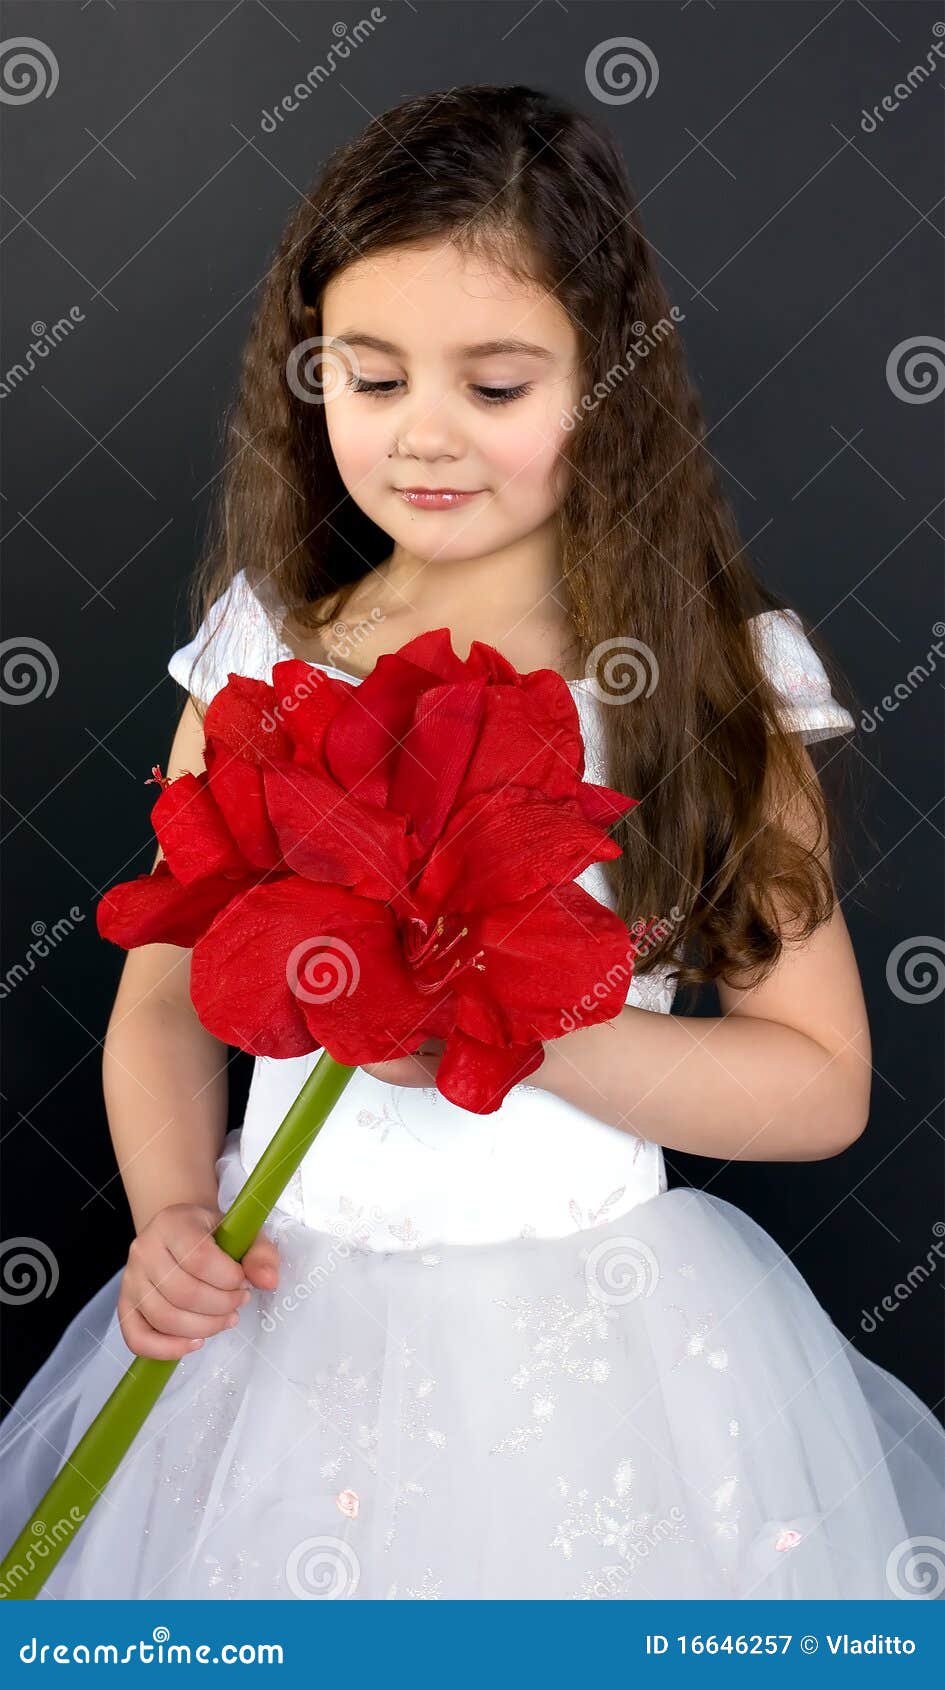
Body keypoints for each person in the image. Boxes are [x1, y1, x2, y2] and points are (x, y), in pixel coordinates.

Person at [2, 84, 942, 1603]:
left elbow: (817, 1080)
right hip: (283, 1318)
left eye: (495, 388)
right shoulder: (265, 653)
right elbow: (165, 997)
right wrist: (175, 1206)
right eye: (369, 380)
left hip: (597, 1344)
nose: (421, 435)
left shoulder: (698, 682)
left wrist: (502, 1026)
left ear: (607, 386)